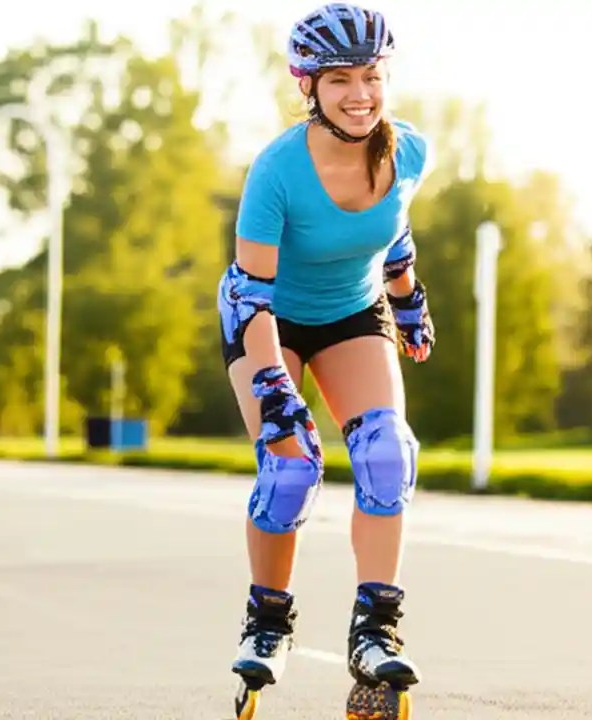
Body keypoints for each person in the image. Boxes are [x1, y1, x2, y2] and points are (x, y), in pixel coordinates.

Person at [217, 2, 435, 713]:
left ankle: (376, 629)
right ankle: (268, 620)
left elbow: (392, 233)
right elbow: (252, 294)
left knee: (386, 455)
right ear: (306, 85)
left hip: (351, 312)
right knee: (290, 467)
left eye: (371, 75)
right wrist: (276, 388)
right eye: (340, 78)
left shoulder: (410, 151)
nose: (360, 93)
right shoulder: (277, 171)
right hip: (267, 317)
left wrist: (407, 300)